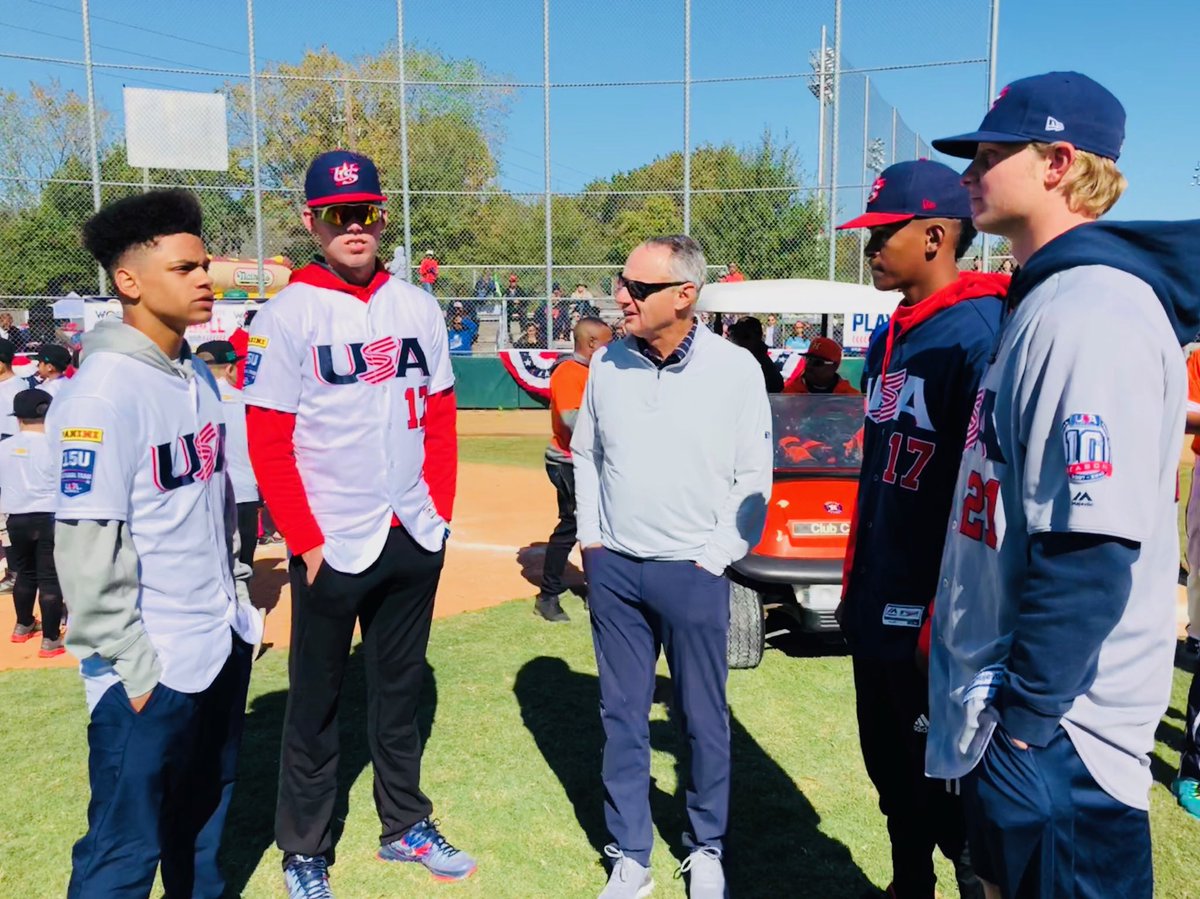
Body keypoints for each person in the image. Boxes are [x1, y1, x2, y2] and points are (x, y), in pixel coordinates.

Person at [925, 72, 1200, 899]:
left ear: (1059, 163)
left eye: (992, 151)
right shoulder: (1051, 296)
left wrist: (1026, 732)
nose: (969, 172)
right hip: (1032, 719)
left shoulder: (1091, 308)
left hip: (1063, 734)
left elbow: (1091, 544)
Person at [243, 150, 473, 898]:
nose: (355, 226)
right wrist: (303, 540)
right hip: (332, 540)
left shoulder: (416, 305)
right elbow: (267, 438)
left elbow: (440, 415)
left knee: (399, 692)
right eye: (338, 214)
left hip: (411, 529)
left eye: (367, 212)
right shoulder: (283, 315)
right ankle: (305, 846)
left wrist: (437, 513)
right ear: (312, 222)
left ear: (381, 218)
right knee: (315, 703)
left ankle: (404, 822)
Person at [59, 188, 261, 897]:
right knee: (121, 856)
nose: (206, 279)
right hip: (148, 670)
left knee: (201, 836)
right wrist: (139, 670)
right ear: (129, 281)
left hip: (217, 642)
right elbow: (87, 555)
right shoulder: (101, 392)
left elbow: (214, 506)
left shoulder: (196, 372)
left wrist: (239, 602)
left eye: (204, 264)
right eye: (184, 268)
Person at [573, 235, 772, 899]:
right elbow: (586, 454)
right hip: (617, 573)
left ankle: (705, 845)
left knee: (701, 717)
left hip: (693, 574)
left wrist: (713, 558)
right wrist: (594, 542)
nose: (621, 296)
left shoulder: (735, 370)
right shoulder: (606, 365)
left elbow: (754, 479)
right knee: (621, 716)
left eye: (638, 286)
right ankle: (631, 853)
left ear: (685, 295)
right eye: (620, 280)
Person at [834, 159, 1009, 899]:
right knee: (893, 782)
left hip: (937, 618)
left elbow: (987, 498)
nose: (870, 248)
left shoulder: (982, 333)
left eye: (883, 233)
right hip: (877, 597)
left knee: (956, 803)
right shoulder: (889, 335)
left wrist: (945, 616)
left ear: (936, 235)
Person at [536, 317, 611, 623]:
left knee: (600, 526)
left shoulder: (593, 372)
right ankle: (547, 596)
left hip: (588, 462)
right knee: (573, 527)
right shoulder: (569, 371)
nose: (612, 348)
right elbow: (572, 421)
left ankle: (597, 590)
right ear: (591, 343)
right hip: (567, 462)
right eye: (607, 342)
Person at [2, 388, 64, 656]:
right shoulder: (56, 444)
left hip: (16, 518)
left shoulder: (3, 447)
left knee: (24, 574)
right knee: (50, 579)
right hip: (49, 516)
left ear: (18, 418)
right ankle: (50, 639)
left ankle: (23, 624)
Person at [196, 340, 260, 574]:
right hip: (244, 492)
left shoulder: (190, 401)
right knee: (242, 564)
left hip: (205, 496)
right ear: (230, 368)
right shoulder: (247, 402)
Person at [783, 337, 859, 395]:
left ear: (834, 366)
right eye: (808, 360)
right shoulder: (791, 393)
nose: (809, 366)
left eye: (817, 362)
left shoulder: (849, 396)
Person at [728, 316, 784, 393]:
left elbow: (776, 385)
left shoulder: (759, 361)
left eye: (742, 336)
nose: (734, 339)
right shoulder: (739, 357)